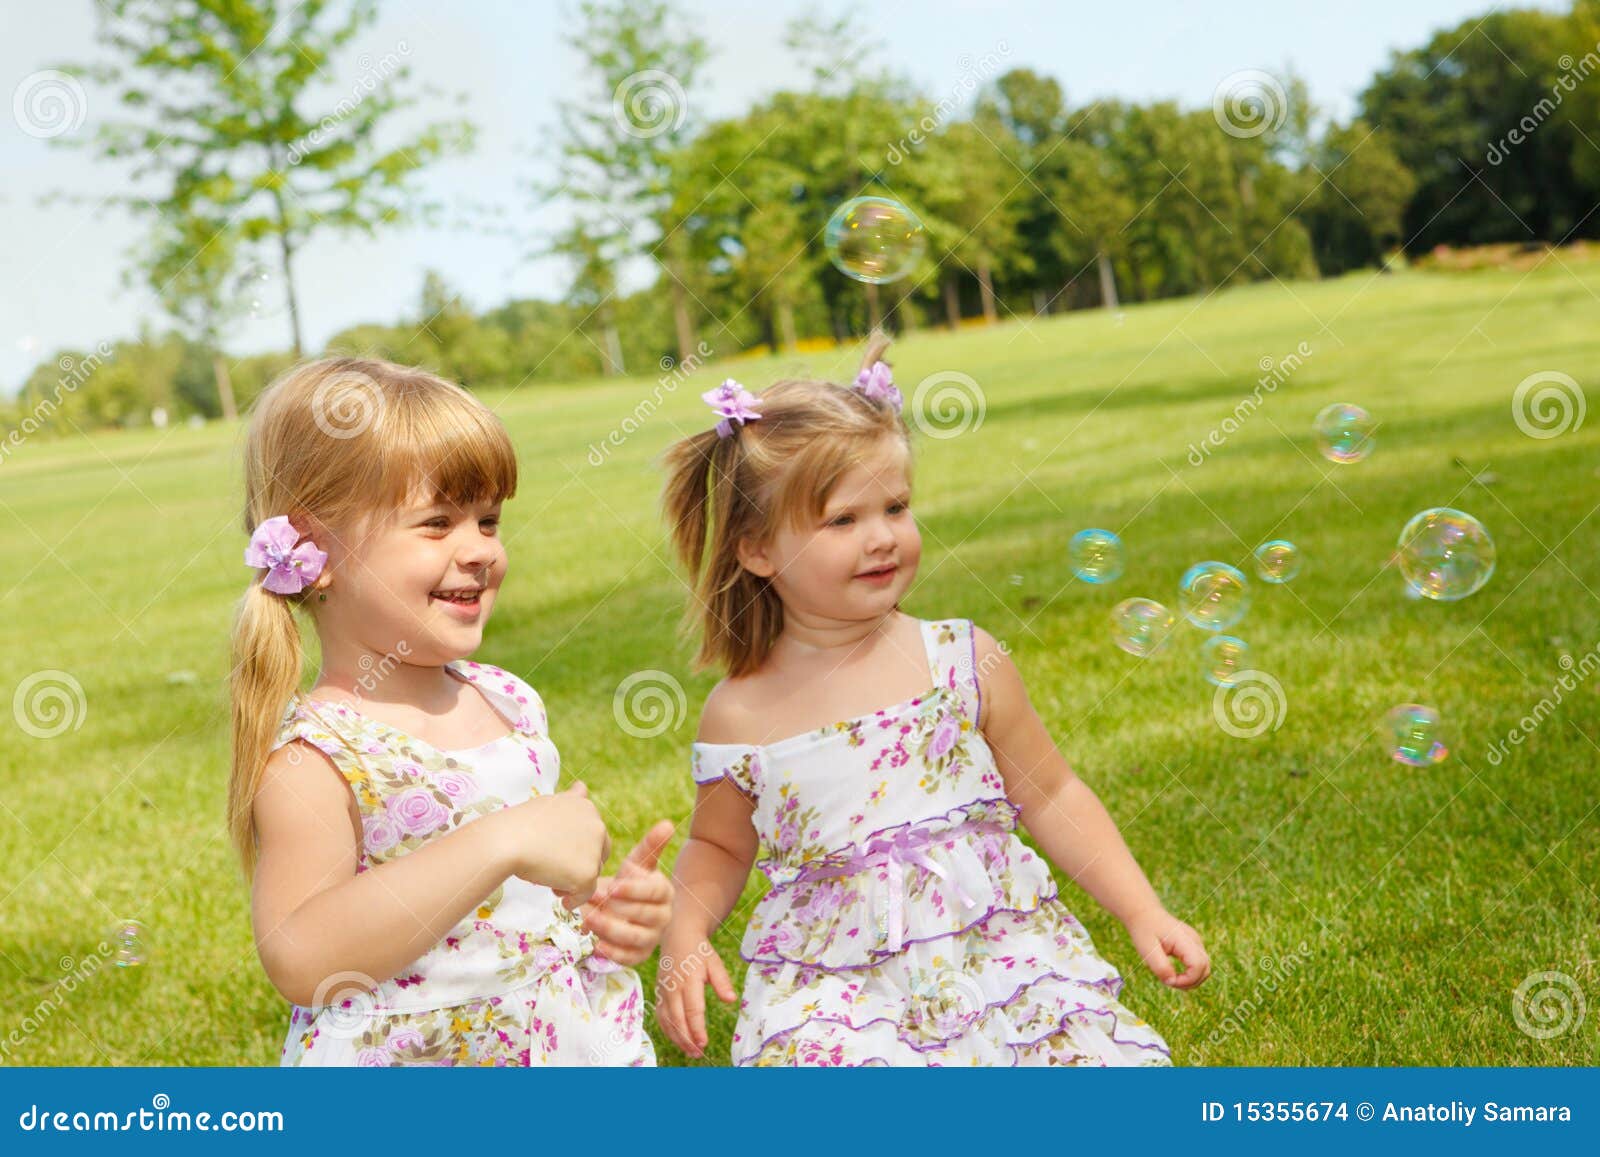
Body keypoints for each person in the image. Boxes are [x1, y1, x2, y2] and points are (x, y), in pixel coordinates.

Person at [653, 338, 1208, 1066]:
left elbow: (1052, 791)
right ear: (756, 550)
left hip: (997, 958)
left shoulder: (962, 659)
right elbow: (719, 846)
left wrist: (1143, 909)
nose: (882, 536)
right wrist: (684, 938)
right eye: (842, 520)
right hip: (839, 986)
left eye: (896, 506)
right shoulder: (742, 714)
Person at [229, 357, 672, 1066]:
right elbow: (301, 954)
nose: (480, 552)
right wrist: (499, 841)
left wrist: (606, 911)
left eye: (488, 520)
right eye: (437, 523)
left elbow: (536, 904)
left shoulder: (506, 700)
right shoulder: (318, 755)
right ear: (317, 549)